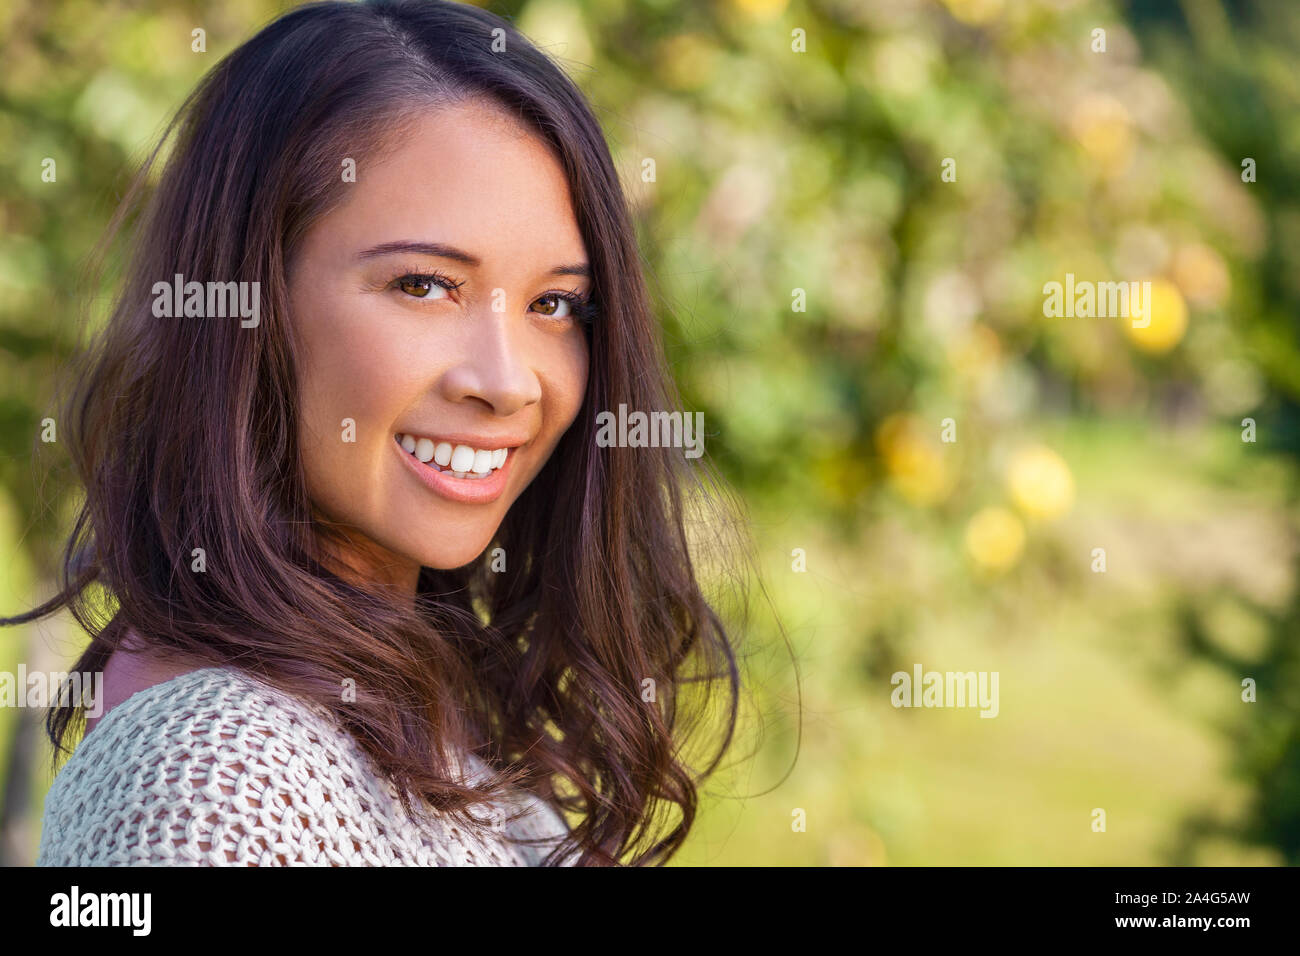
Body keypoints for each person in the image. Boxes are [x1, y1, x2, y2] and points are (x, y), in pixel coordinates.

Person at [5, 0, 745, 866]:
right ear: (246, 305)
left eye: (555, 304)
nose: (508, 381)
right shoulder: (217, 786)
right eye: (424, 286)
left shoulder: (437, 740)